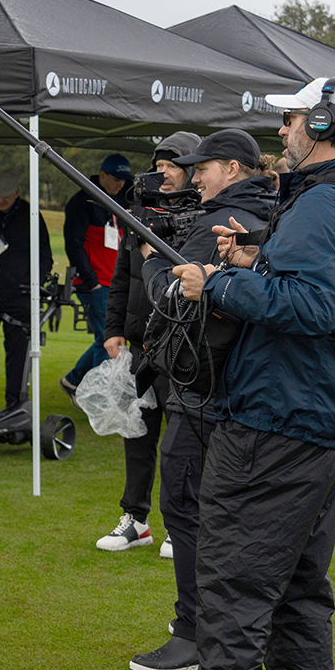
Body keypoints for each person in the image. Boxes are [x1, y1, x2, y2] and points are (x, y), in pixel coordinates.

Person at [139, 78, 335, 670]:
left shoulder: (321, 200)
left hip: (279, 420)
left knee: (232, 579)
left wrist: (215, 283)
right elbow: (334, 292)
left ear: (318, 123)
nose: (282, 131)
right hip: (321, 421)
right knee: (299, 582)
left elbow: (313, 307)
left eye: (290, 118)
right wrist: (261, 262)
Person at [128, 129, 276, 670]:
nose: (194, 178)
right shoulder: (268, 211)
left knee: (186, 504)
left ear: (232, 169)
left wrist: (148, 256)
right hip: (237, 386)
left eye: (203, 168)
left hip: (204, 390)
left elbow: (170, 291)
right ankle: (219, 628)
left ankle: (194, 630)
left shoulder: (226, 218)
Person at [97, 132, 200, 557]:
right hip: (138, 346)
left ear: (192, 169)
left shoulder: (202, 215)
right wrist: (112, 330)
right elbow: (121, 279)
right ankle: (135, 519)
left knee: (181, 442)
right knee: (136, 436)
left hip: (182, 349)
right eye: (159, 166)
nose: (164, 173)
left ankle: (180, 524)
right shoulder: (136, 215)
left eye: (173, 165)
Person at [0, 169, 53, 409]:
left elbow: (44, 253)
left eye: (4, 195)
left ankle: (15, 406)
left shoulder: (31, 214)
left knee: (17, 353)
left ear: (16, 193)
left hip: (20, 294)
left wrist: (35, 281)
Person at [59, 154, 132, 408]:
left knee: (110, 336)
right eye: (115, 179)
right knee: (107, 338)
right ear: (102, 175)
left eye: (124, 180)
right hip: (94, 284)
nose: (120, 184)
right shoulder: (82, 202)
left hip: (115, 282)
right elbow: (73, 244)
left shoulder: (123, 201)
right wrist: (91, 282)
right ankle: (100, 399)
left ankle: (74, 379)